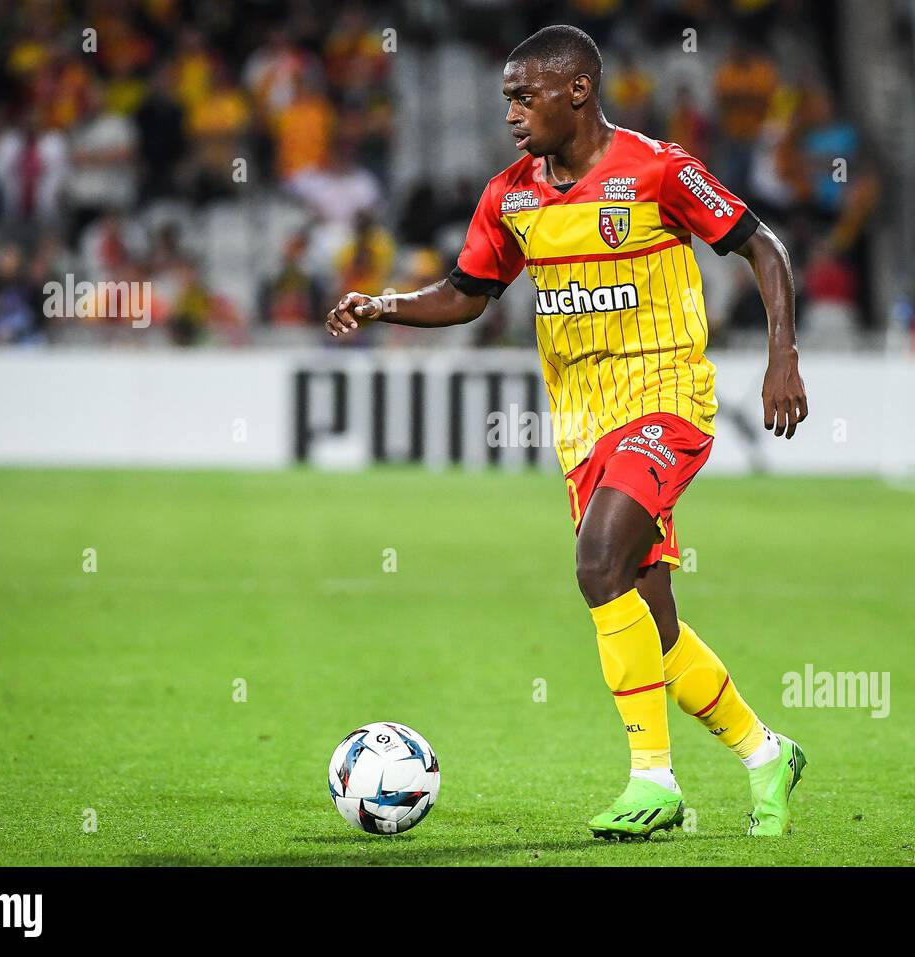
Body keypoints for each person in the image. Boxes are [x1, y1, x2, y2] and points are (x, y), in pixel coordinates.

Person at [326, 25, 809, 840]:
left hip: (665, 399)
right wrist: (386, 304)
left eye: (525, 95)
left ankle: (651, 781)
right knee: (649, 619)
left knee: (596, 561)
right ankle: (766, 753)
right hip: (583, 424)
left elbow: (762, 246)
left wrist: (782, 355)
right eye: (507, 98)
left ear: (577, 90)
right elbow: (468, 291)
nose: (512, 113)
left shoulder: (658, 168)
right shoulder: (510, 194)